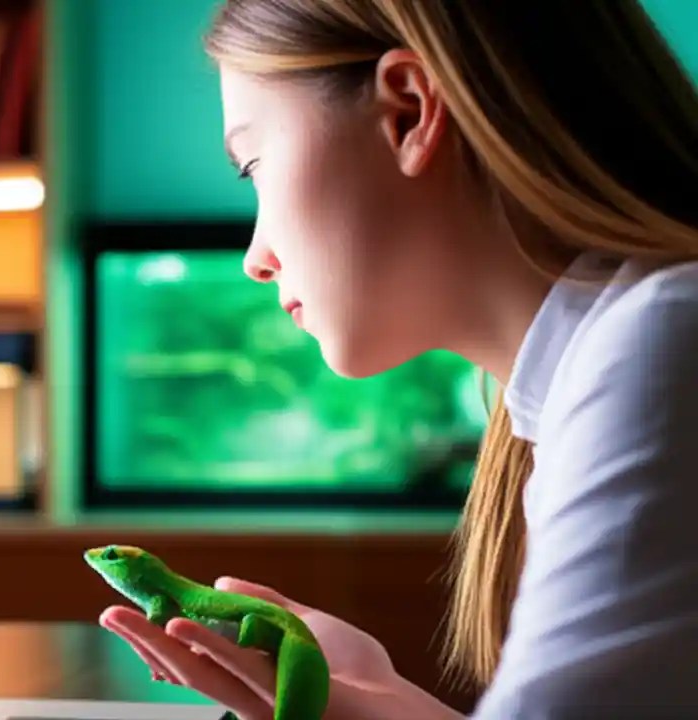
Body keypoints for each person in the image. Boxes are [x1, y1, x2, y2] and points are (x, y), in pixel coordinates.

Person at [99, 1, 698, 718]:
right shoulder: (587, 386)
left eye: (253, 165)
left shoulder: (661, 347)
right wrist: (376, 702)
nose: (255, 259)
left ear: (409, 112)